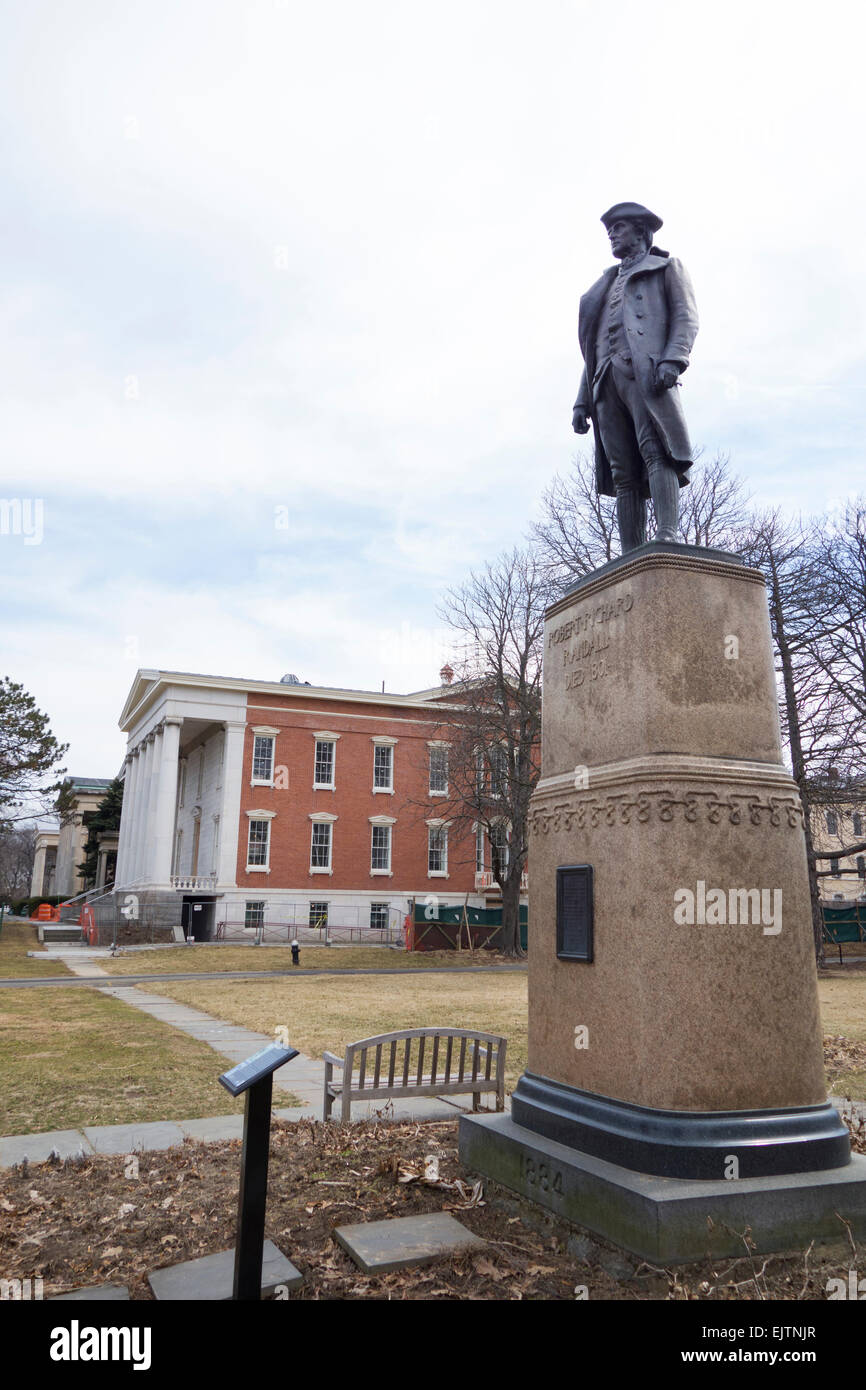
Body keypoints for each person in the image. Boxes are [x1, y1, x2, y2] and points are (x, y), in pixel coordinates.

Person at [573, 202, 699, 551]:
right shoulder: (605, 285)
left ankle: (667, 534)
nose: (612, 235)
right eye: (610, 230)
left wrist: (673, 360)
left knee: (656, 450)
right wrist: (582, 400)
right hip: (605, 381)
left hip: (646, 374)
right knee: (622, 471)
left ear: (641, 232)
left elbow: (685, 318)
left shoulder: (666, 268)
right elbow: (591, 348)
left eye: (620, 227)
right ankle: (630, 550)